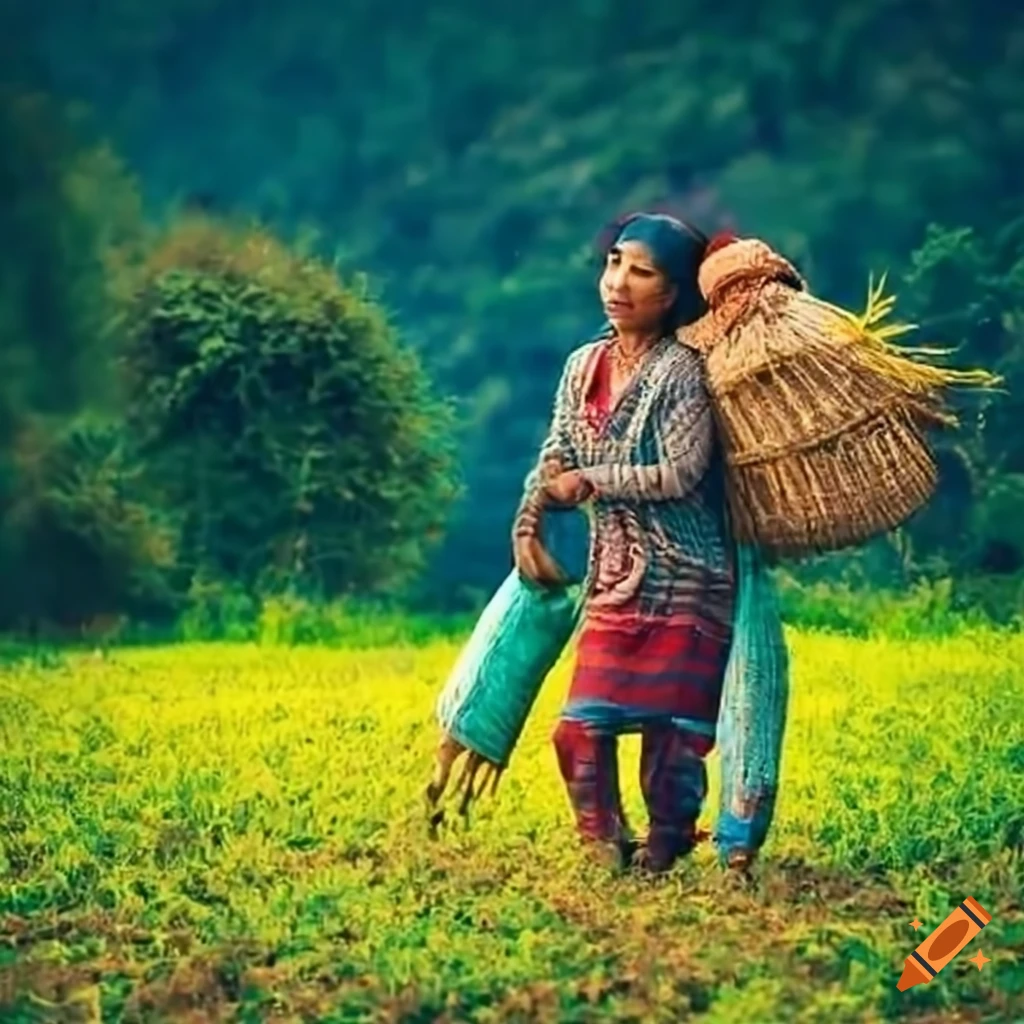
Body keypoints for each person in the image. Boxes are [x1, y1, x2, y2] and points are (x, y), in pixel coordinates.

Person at [512, 212, 738, 873]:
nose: (618, 282)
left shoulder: (683, 372)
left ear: (671, 295)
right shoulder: (582, 364)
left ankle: (666, 843)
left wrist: (592, 479)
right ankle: (603, 842)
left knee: (671, 741)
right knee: (578, 730)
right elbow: (556, 450)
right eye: (614, 262)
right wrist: (537, 501)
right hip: (614, 580)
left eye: (641, 272)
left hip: (689, 579)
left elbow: (679, 472)